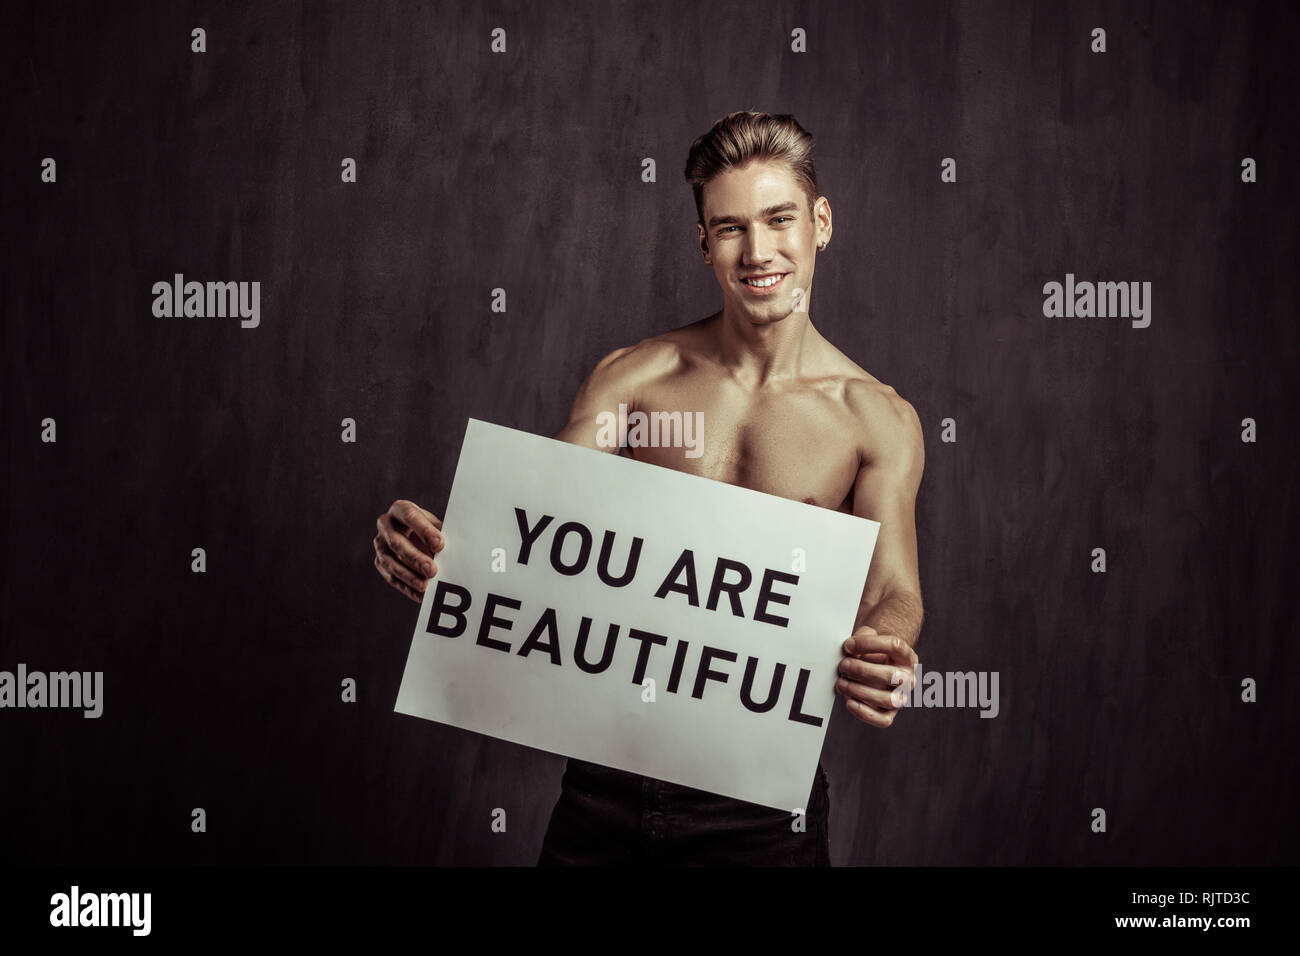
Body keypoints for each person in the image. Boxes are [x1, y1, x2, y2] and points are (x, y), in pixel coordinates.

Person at [373, 110, 924, 865]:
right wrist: (440, 551)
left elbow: (895, 587)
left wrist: (889, 644)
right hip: (607, 788)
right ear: (704, 243)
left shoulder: (875, 419)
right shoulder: (635, 380)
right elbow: (536, 524)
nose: (758, 251)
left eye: (779, 220)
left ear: (820, 223)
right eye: (730, 228)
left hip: (761, 811)